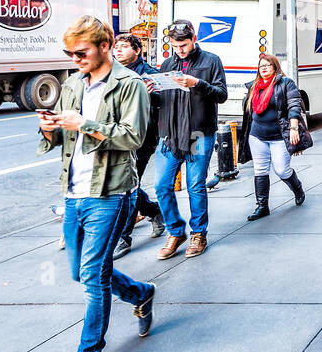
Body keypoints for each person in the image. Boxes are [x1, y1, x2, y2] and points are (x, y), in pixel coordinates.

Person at [37, 16, 155, 352]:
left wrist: (84, 123)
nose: (75, 59)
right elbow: (63, 139)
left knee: (93, 276)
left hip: (111, 191)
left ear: (104, 46)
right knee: (80, 271)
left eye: (82, 52)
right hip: (74, 192)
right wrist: (50, 129)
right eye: (69, 53)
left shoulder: (129, 84)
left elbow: (134, 137)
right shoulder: (72, 83)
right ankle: (140, 293)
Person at [149, 19, 229, 260]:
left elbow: (222, 95)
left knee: (195, 186)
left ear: (194, 39)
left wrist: (198, 84)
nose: (179, 50)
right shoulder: (168, 63)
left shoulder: (211, 61)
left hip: (197, 132)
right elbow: (162, 100)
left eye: (183, 44)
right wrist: (151, 92)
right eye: (175, 45)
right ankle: (175, 231)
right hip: (170, 134)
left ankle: (198, 233)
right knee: (162, 185)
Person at [111, 34, 164, 258]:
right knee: (125, 184)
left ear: (137, 51)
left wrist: (152, 95)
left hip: (142, 136)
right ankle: (154, 211)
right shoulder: (110, 72)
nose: (119, 51)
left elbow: (164, 101)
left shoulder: (149, 74)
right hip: (116, 135)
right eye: (117, 47)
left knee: (128, 187)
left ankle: (123, 237)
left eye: (124, 47)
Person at [239, 53, 306, 221]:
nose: (264, 69)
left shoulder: (285, 83)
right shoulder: (254, 86)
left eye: (267, 65)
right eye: (261, 66)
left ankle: (297, 189)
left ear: (275, 67)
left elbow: (294, 105)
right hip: (257, 135)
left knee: (282, 169)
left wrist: (294, 127)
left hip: (278, 136)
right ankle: (262, 206)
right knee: (260, 170)